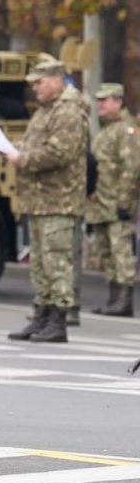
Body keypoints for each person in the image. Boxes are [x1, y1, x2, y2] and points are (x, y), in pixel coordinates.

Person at [1, 56, 88, 343]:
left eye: (39, 83)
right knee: (40, 263)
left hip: (58, 201)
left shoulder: (68, 112)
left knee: (56, 262)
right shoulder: (45, 111)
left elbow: (60, 153)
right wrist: (12, 150)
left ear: (55, 80)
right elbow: (35, 145)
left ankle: (58, 320)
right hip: (39, 200)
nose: (35, 89)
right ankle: (41, 315)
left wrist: (22, 159)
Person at [89, 83, 139, 317]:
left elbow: (132, 168)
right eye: (99, 100)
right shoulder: (105, 130)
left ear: (118, 102)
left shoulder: (125, 130)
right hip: (101, 202)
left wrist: (125, 202)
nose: (100, 104)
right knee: (106, 251)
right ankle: (113, 296)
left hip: (116, 202)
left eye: (105, 100)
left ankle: (125, 299)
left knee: (121, 252)